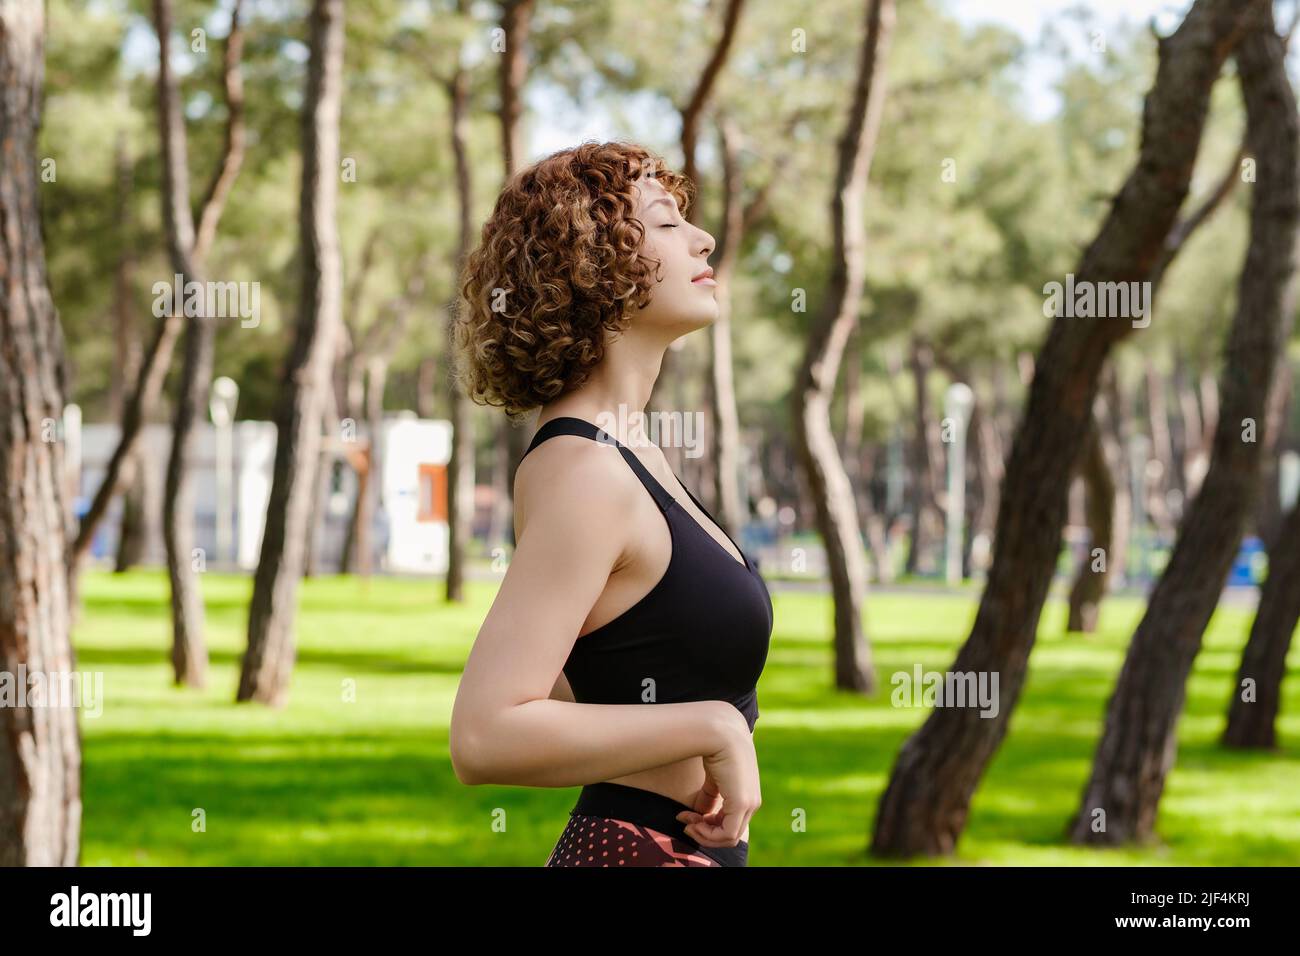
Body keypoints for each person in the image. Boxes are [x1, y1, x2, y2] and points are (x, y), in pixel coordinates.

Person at [448, 141, 773, 867]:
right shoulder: (586, 468)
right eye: (663, 222)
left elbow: (582, 680)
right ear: (596, 264)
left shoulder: (629, 455)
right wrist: (713, 727)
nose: (703, 237)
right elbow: (483, 735)